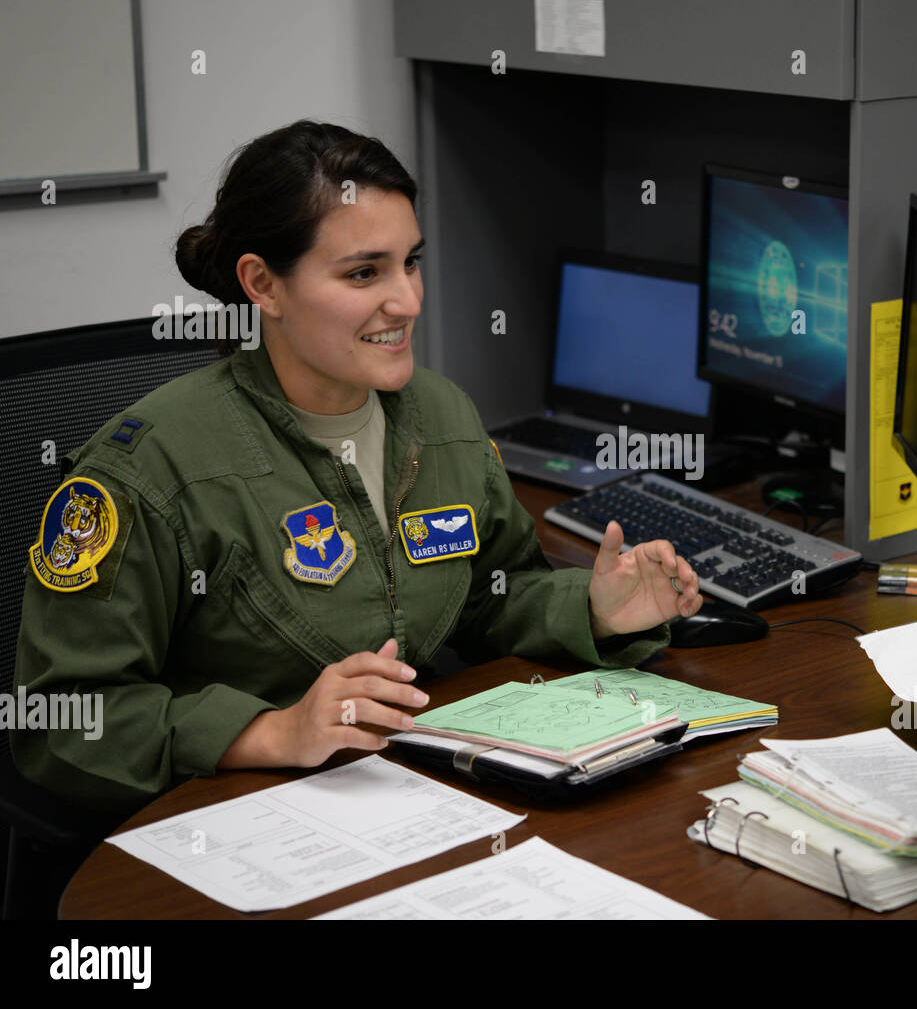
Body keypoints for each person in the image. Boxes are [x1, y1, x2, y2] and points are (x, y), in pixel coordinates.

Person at [12, 120, 702, 818]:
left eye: (411, 262)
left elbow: (489, 596)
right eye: (364, 273)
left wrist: (594, 609)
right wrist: (273, 730)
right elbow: (60, 721)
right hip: (235, 820)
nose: (407, 301)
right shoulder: (148, 468)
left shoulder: (441, 415)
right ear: (263, 285)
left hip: (413, 794)